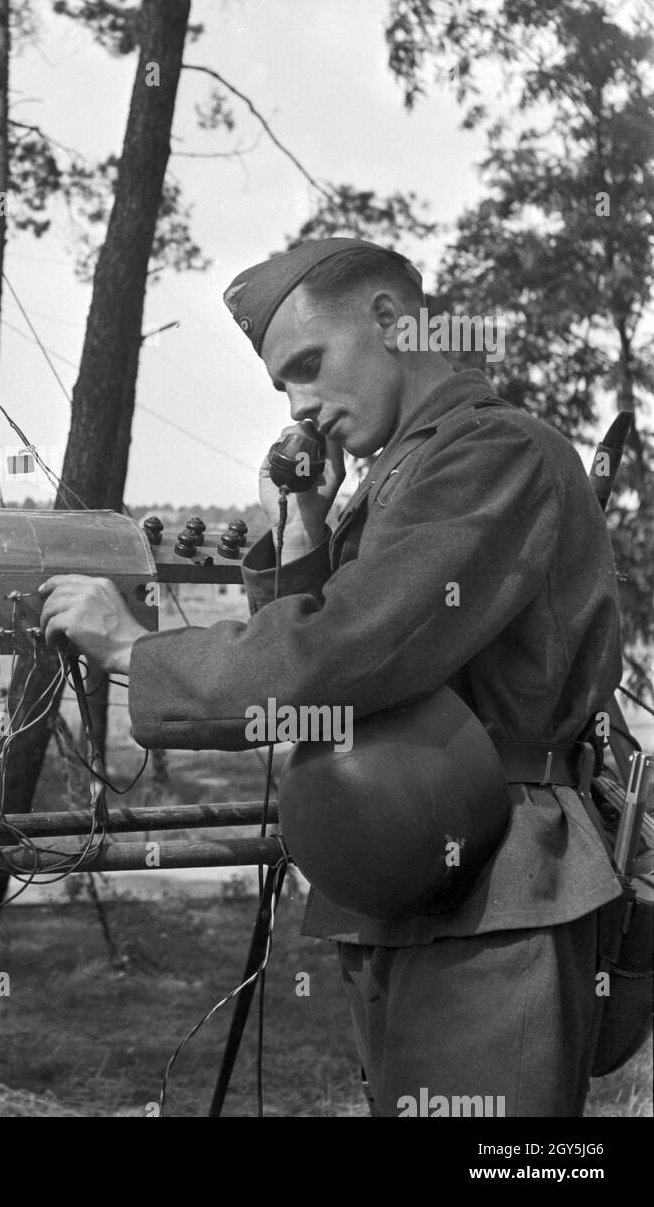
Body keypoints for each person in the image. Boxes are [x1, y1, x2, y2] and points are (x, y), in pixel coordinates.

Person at [39, 237, 624, 1117]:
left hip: (498, 882)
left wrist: (134, 651)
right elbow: (334, 645)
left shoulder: (494, 453)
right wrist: (307, 519)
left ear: (392, 321)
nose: (301, 406)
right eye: (284, 388)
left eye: (310, 367)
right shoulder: (402, 470)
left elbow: (349, 650)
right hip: (398, 867)